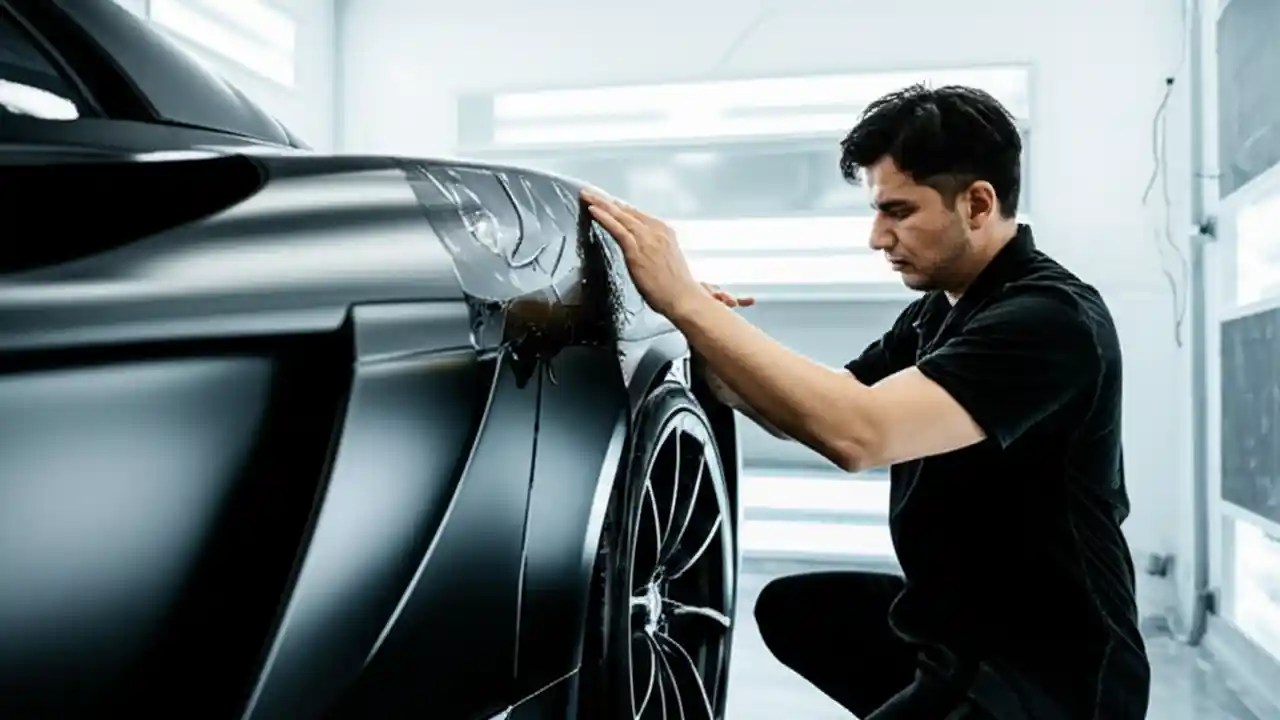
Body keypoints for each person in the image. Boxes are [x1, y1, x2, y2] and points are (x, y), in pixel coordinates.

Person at [580, 83, 1151, 719]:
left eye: (899, 212)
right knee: (797, 610)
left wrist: (681, 299)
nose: (878, 237)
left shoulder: (1050, 321)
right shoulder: (940, 312)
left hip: (1047, 675)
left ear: (978, 203)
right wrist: (707, 338)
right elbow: (819, 408)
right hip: (961, 635)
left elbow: (858, 434)